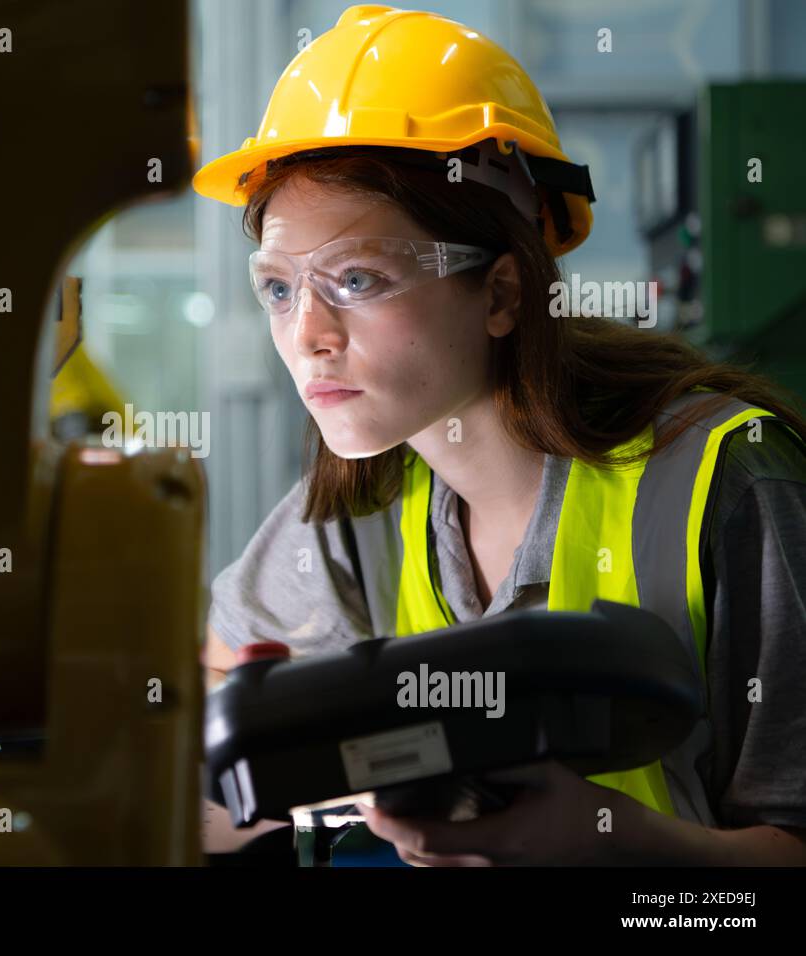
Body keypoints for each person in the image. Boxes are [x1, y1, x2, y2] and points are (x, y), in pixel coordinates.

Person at [192, 4, 806, 865]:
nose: (308, 335)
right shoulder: (364, 506)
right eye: (279, 288)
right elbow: (205, 757)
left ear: (502, 294)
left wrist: (615, 843)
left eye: (357, 279)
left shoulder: (727, 482)